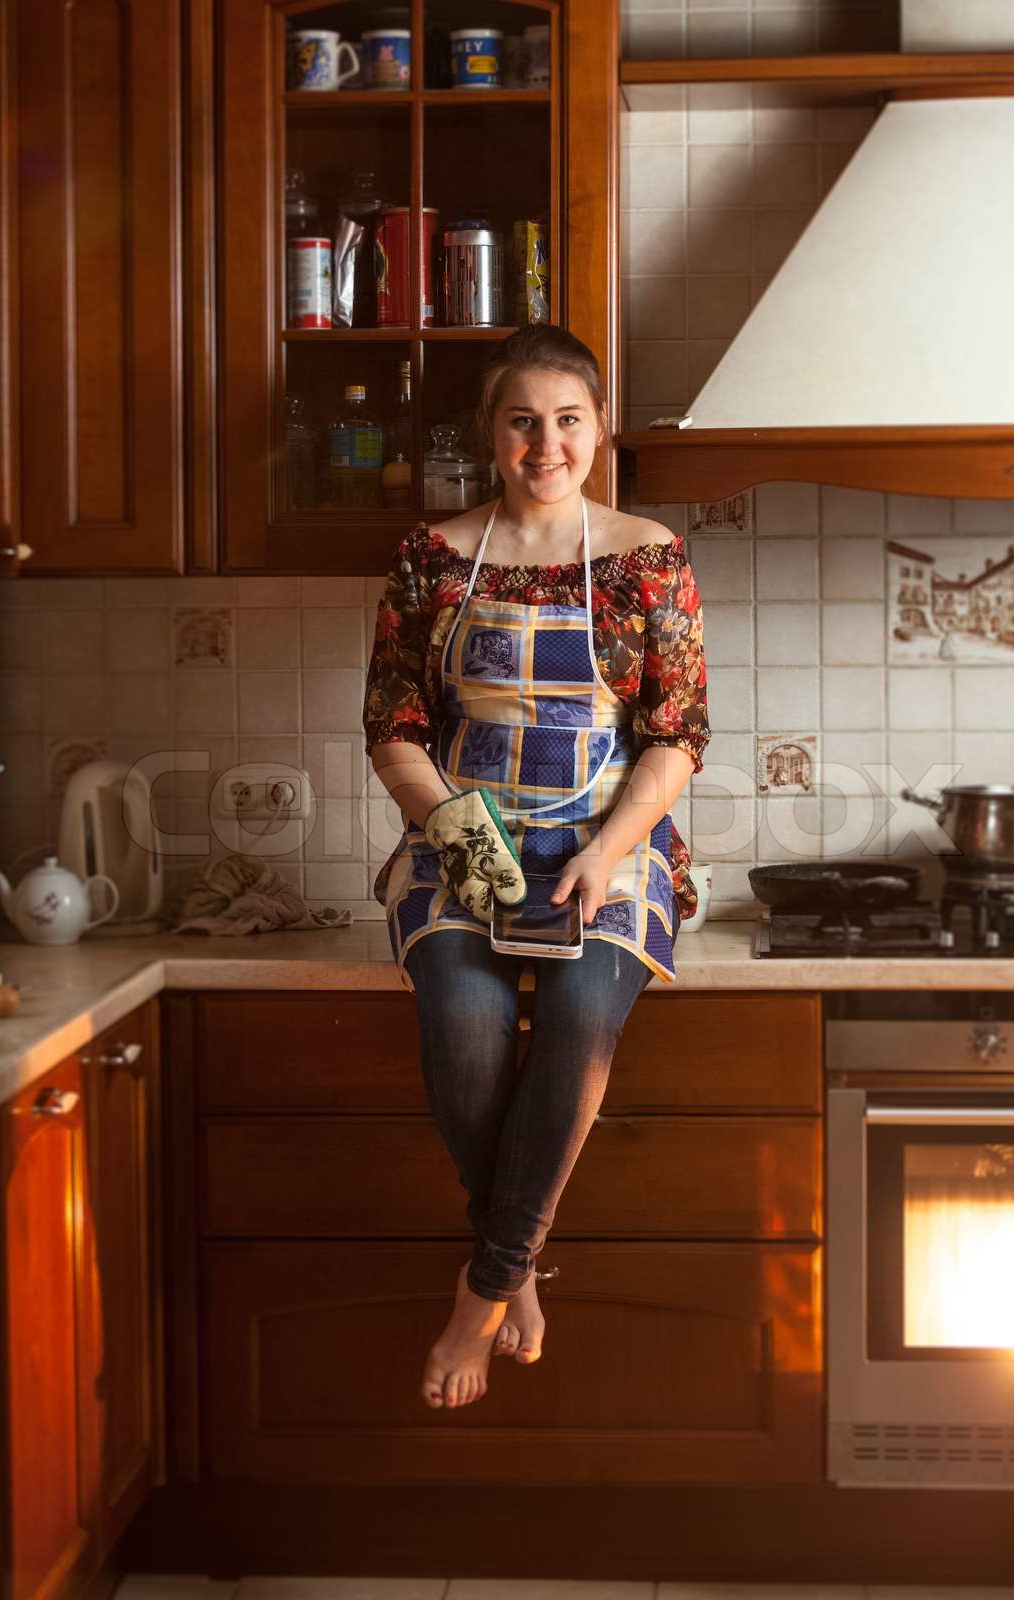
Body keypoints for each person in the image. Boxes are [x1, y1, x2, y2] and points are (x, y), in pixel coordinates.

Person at [364, 326, 710, 1412]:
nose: (545, 442)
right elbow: (393, 727)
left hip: (608, 844)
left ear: (599, 429)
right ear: (491, 432)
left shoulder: (647, 556)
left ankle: (483, 1289)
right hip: (463, 837)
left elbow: (677, 733)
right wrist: (470, 853)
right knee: (463, 1025)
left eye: (568, 419)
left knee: (574, 1013)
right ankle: (516, 1270)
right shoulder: (431, 556)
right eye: (523, 420)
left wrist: (610, 851)